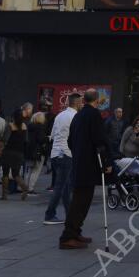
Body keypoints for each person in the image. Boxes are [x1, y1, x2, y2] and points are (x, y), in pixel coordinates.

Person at [60, 89, 113, 250]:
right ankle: (68, 236)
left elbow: (70, 140)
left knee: (81, 199)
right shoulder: (95, 115)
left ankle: (75, 231)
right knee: (81, 201)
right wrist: (107, 160)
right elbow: (100, 139)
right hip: (88, 164)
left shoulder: (78, 116)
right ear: (97, 101)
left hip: (79, 162)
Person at [45, 93, 82, 224]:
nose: (81, 105)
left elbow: (53, 135)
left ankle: (69, 214)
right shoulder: (76, 117)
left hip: (55, 153)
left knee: (65, 186)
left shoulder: (59, 115)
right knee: (61, 186)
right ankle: (49, 214)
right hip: (67, 154)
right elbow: (77, 138)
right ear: (77, 103)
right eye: (81, 102)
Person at [0, 105, 30, 200]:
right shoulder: (24, 126)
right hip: (19, 152)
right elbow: (26, 141)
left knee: (5, 173)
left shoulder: (10, 126)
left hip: (8, 152)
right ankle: (25, 187)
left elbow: (5, 139)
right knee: (16, 174)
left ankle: (4, 195)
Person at [25, 109, 49, 195]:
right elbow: (41, 139)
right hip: (38, 151)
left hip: (30, 150)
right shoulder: (40, 127)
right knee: (36, 171)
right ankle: (30, 189)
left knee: (29, 170)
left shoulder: (30, 126)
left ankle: (26, 187)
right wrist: (48, 138)